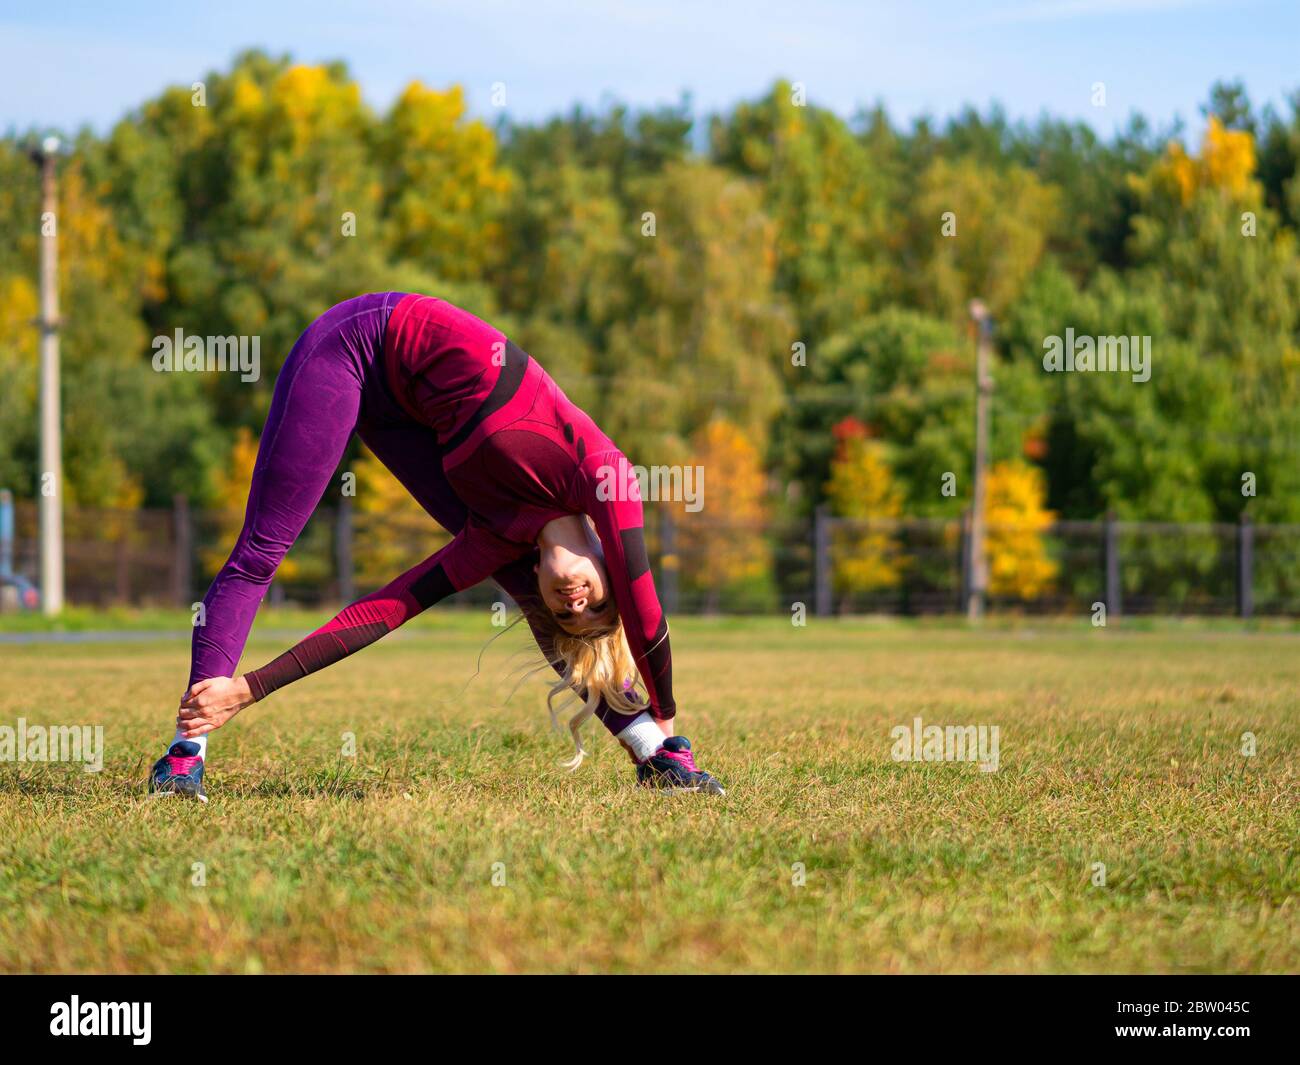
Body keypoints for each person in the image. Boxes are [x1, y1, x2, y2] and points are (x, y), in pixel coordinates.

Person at [148, 293, 724, 802]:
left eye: (568, 614)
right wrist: (670, 720)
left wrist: (250, 689)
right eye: (599, 605)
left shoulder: (494, 537)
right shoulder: (605, 477)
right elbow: (647, 615)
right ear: (607, 567)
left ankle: (182, 761)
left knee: (525, 582)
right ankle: (661, 748)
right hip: (357, 342)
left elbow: (389, 609)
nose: (575, 603)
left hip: (399, 414)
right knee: (263, 548)